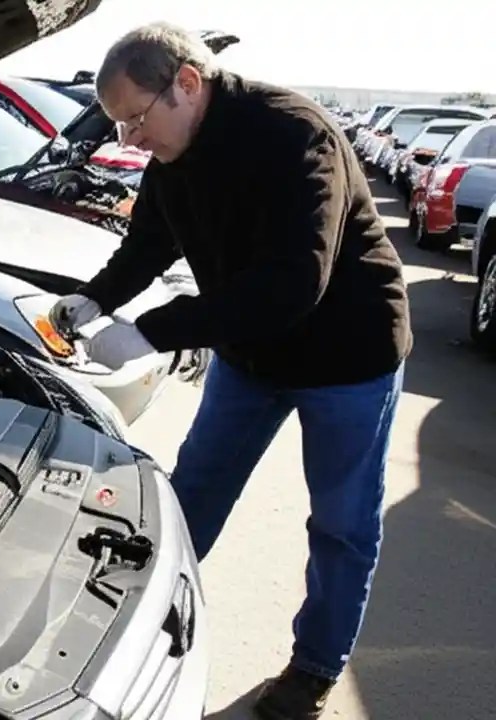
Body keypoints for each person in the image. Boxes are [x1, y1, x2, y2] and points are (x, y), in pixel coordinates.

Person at [50, 22, 412, 720]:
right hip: (251, 359)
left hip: (348, 358)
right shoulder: (172, 153)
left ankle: (313, 669)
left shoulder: (294, 137)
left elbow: (293, 280)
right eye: (119, 125)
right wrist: (95, 296)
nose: (128, 141)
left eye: (134, 119)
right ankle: (138, 619)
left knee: (341, 524)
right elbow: (150, 240)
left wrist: (154, 331)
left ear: (187, 83)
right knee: (192, 497)